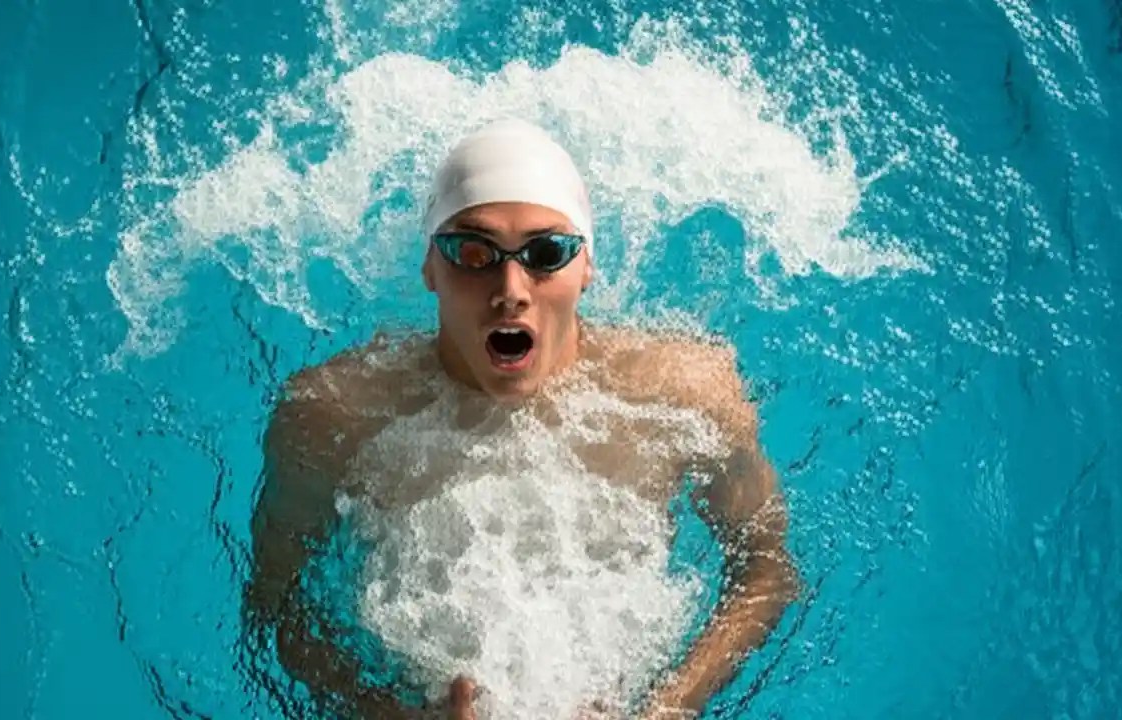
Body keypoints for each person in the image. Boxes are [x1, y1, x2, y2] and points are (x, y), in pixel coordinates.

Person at [246, 120, 799, 719]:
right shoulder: (333, 412)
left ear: (586, 266)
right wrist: (391, 716)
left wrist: (659, 714)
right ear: (430, 267)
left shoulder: (685, 393)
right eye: (474, 253)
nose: (510, 290)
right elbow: (278, 605)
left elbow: (765, 574)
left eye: (545, 253)